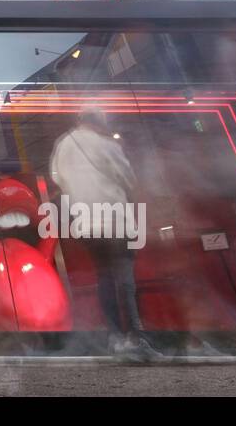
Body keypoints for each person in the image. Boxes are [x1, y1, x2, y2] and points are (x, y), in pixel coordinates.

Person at [49, 105, 160, 361]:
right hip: (113, 220)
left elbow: (58, 178)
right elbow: (128, 178)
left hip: (86, 223)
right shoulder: (105, 144)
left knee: (104, 277)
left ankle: (114, 337)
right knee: (125, 279)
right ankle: (136, 337)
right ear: (99, 122)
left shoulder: (65, 144)